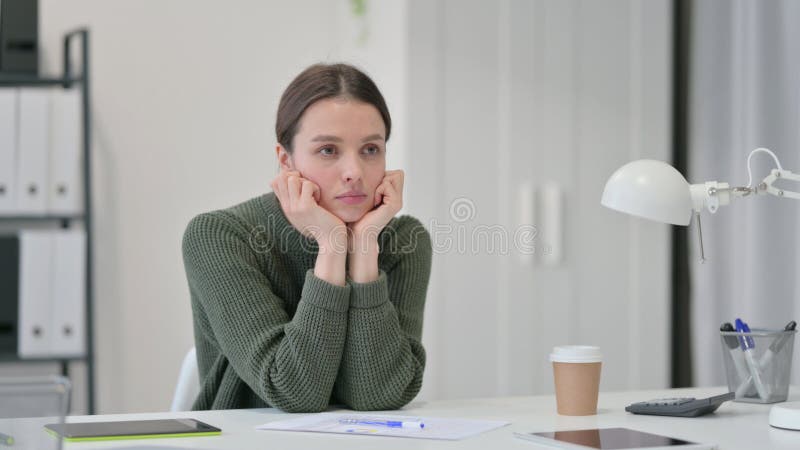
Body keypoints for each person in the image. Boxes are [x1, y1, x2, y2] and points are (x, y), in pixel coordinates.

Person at [182, 63, 432, 412]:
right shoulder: (220, 236)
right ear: (286, 161)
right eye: (328, 150)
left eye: (370, 149)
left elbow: (378, 395)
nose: (354, 173)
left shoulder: (403, 239)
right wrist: (331, 246)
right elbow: (293, 392)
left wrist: (364, 249)